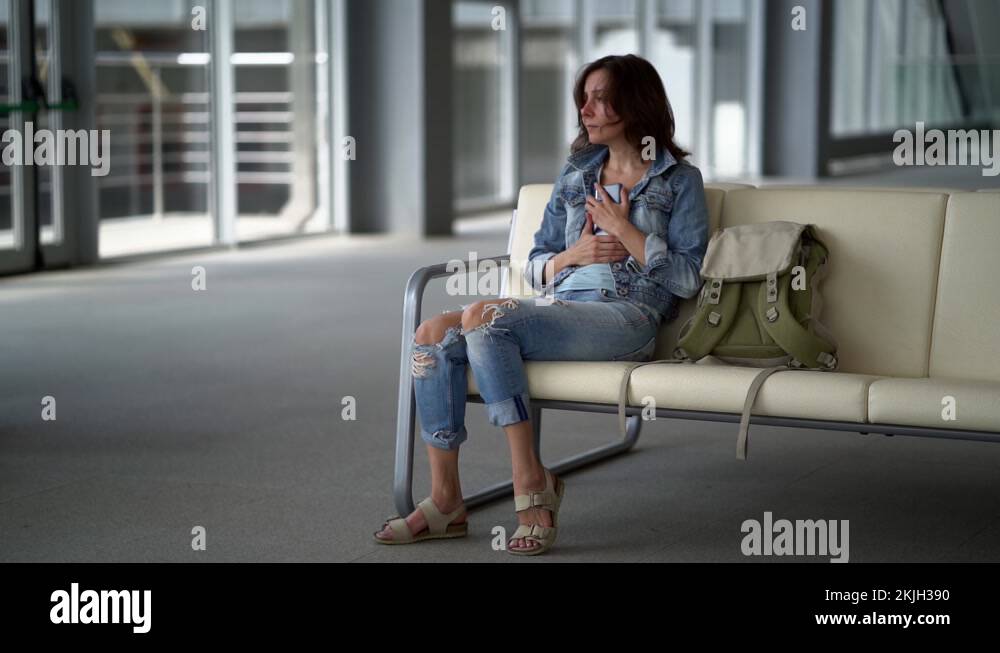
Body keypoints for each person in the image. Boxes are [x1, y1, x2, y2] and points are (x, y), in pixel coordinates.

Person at [374, 53, 709, 555]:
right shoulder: (576, 175)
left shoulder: (679, 181)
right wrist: (572, 256)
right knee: (430, 336)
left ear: (635, 104)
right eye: (584, 98)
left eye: (599, 97)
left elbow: (689, 278)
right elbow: (533, 263)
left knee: (483, 318)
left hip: (628, 316)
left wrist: (624, 229)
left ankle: (529, 483)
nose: (586, 109)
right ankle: (448, 500)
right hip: (559, 306)